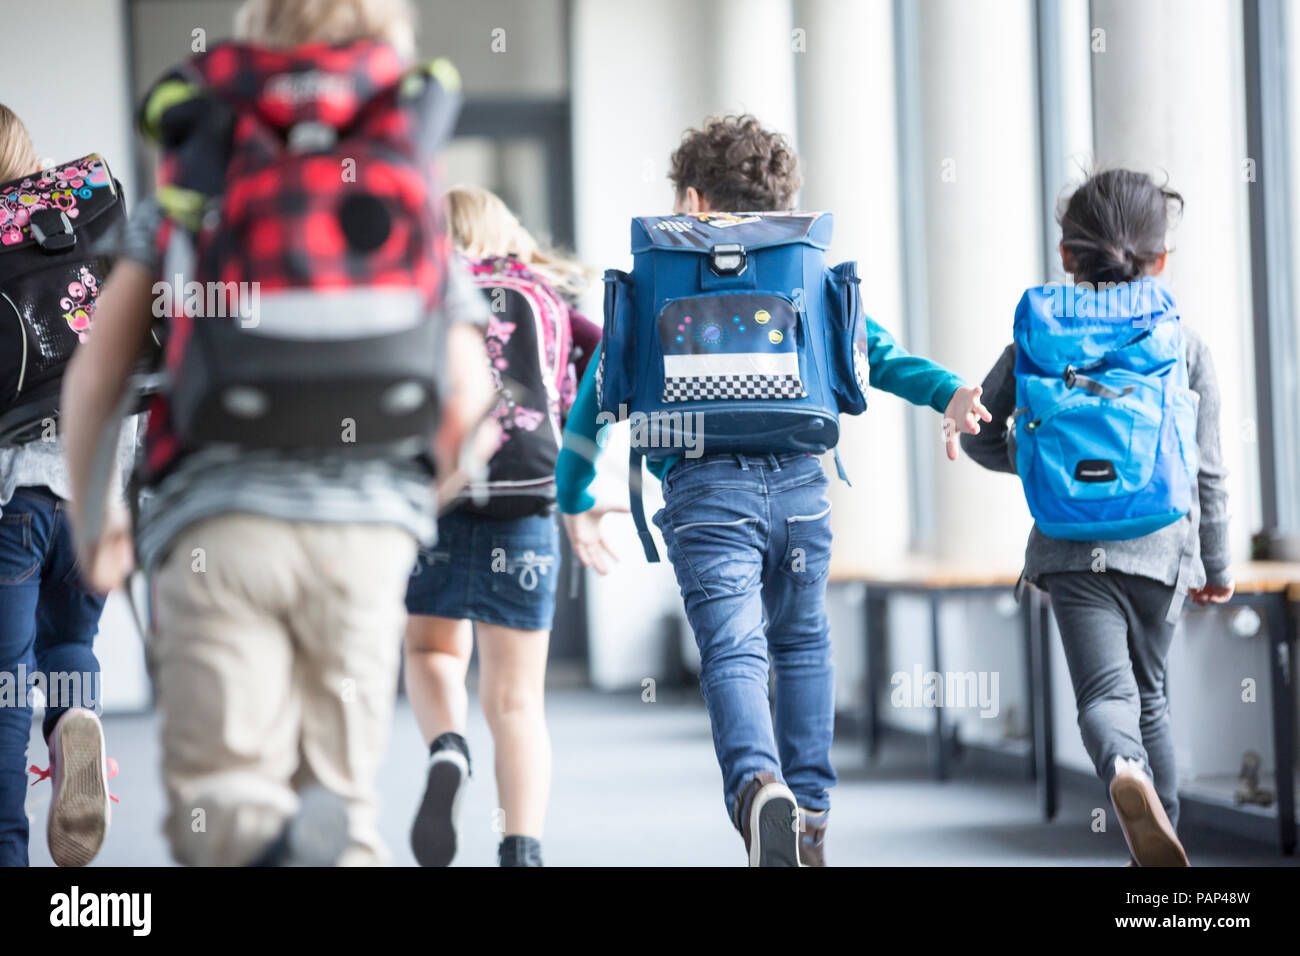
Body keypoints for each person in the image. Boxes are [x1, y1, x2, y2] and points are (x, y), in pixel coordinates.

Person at [59, 0, 496, 866]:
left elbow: (97, 374)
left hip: (215, 529)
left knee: (224, 790)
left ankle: (262, 844)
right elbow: (471, 401)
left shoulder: (199, 175)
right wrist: (412, 502)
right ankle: (326, 840)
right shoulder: (403, 183)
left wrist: (94, 523)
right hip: (365, 537)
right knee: (343, 791)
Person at [556, 114, 990, 866]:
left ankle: (759, 788)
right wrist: (948, 391)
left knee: (733, 651)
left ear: (691, 199)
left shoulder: (659, 274)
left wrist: (572, 496)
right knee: (803, 641)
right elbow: (874, 352)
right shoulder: (803, 268)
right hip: (800, 489)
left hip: (700, 493)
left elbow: (594, 399)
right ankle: (813, 809)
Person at [961, 168, 1233, 866]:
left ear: (1066, 255)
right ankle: (1166, 841)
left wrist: (1042, 468)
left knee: (1105, 695)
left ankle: (1121, 769)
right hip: (1158, 547)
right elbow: (1207, 471)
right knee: (1152, 696)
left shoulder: (1037, 335)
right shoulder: (1184, 344)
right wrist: (1218, 567)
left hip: (1069, 547)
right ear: (1160, 258)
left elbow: (980, 433)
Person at [405, 185, 601, 868]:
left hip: (438, 499)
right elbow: (599, 367)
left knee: (431, 652)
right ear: (505, 231)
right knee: (517, 701)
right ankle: (521, 849)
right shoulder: (547, 299)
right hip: (527, 503)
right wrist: (583, 481)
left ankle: (447, 749)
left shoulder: (426, 292)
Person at [0, 104, 135, 868]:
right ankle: (74, 718)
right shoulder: (78, 226)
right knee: (70, 641)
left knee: (2, 689)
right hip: (93, 488)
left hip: (9, 500)